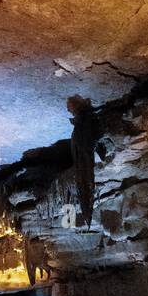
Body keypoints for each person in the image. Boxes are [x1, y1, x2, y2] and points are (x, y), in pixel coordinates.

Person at [66, 93, 99, 227]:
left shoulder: (85, 123)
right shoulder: (82, 124)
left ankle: (87, 210)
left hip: (83, 157)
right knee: (84, 182)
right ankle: (87, 210)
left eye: (69, 107)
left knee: (84, 182)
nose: (68, 110)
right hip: (82, 157)